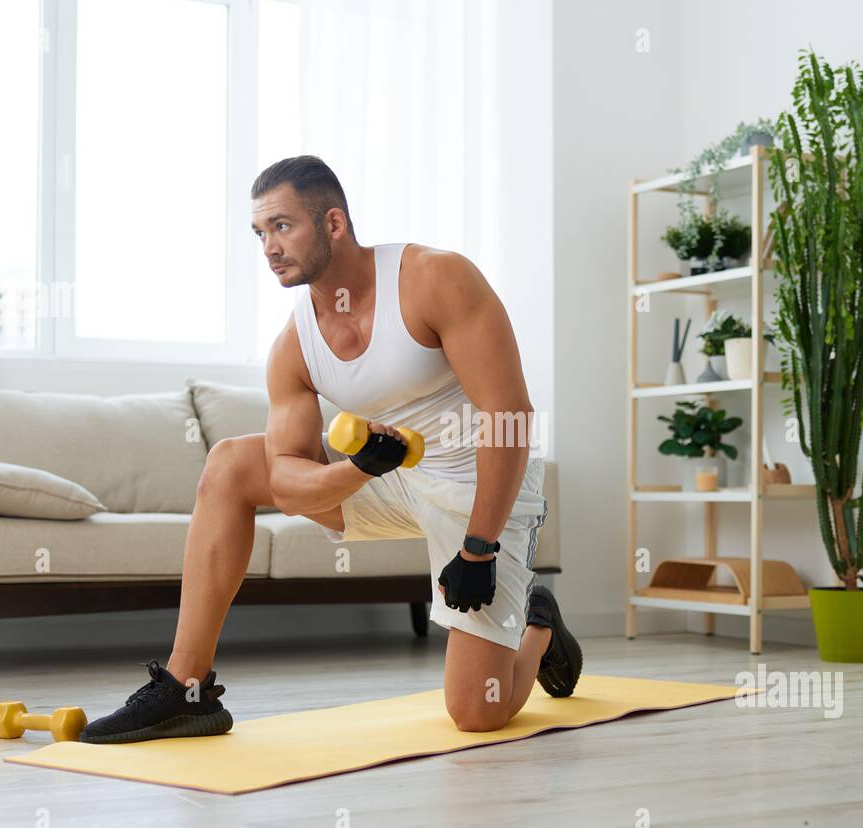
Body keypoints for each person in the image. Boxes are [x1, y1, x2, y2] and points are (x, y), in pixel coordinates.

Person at [80, 155, 581, 744]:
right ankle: (184, 689)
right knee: (233, 464)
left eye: (283, 226)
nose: (269, 246)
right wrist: (361, 468)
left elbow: (509, 418)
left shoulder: (434, 279)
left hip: (482, 489)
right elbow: (288, 484)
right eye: (260, 232)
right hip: (392, 477)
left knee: (477, 712)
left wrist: (477, 548)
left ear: (334, 224)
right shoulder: (295, 345)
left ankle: (539, 626)